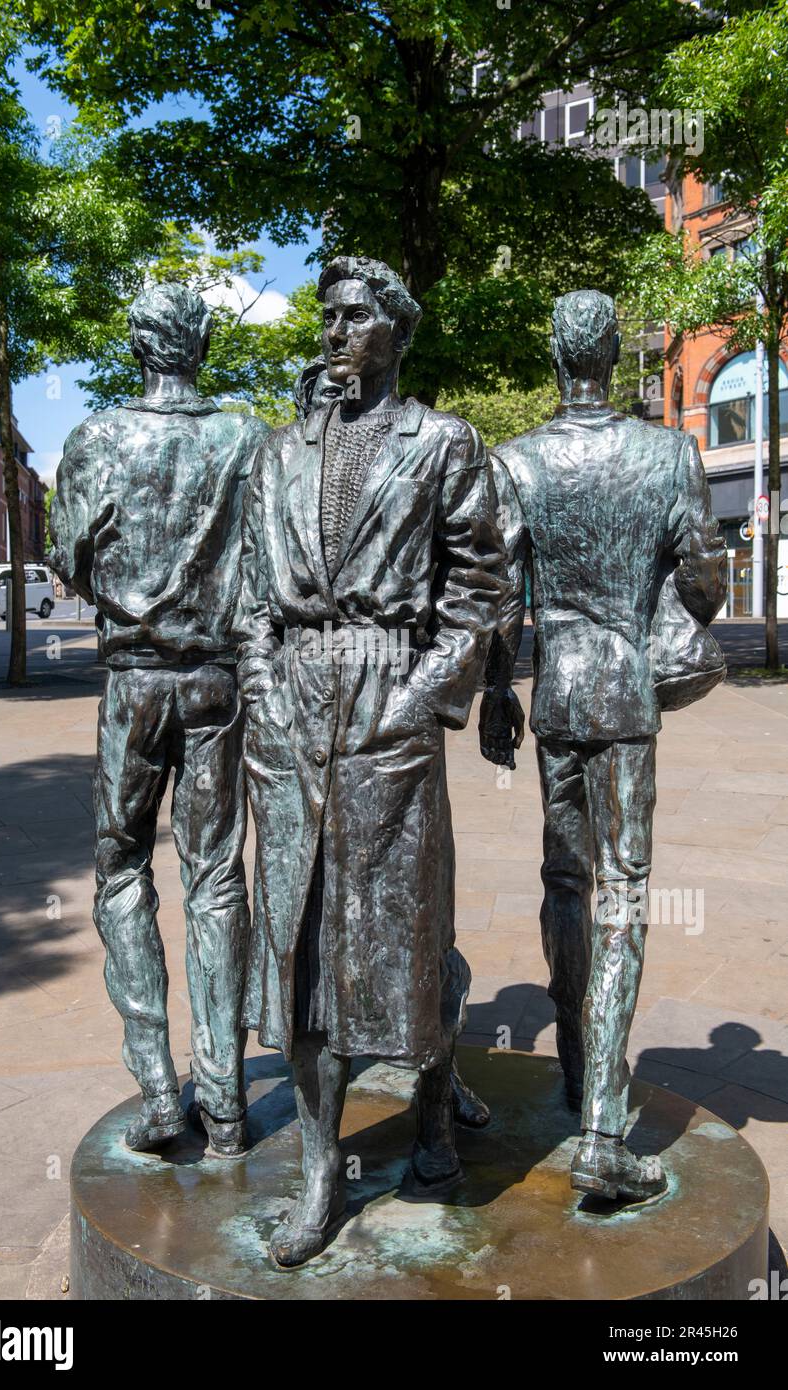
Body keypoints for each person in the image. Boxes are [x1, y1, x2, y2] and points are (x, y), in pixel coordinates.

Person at [236, 255, 505, 1265]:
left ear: (396, 329)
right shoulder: (276, 454)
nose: (333, 333)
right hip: (296, 717)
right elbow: (253, 597)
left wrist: (416, 699)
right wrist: (263, 690)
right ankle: (318, 1171)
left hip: (386, 707)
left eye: (354, 317)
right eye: (327, 317)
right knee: (301, 948)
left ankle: (432, 1110)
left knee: (404, 932)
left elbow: (475, 591)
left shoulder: (441, 445)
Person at [480, 289, 727, 1201]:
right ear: (617, 357)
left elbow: (501, 597)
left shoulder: (517, 463)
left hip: (560, 695)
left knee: (562, 880)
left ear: (555, 357)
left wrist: (499, 693)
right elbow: (701, 579)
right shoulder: (668, 452)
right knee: (623, 888)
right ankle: (598, 1123)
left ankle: (577, 1062)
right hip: (626, 690)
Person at [50, 283, 269, 1155]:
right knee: (216, 877)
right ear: (201, 346)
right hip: (218, 682)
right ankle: (225, 1098)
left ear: (138, 345)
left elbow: (67, 558)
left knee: (120, 869)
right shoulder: (245, 436)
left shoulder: (98, 436)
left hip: (135, 684)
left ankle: (158, 1089)